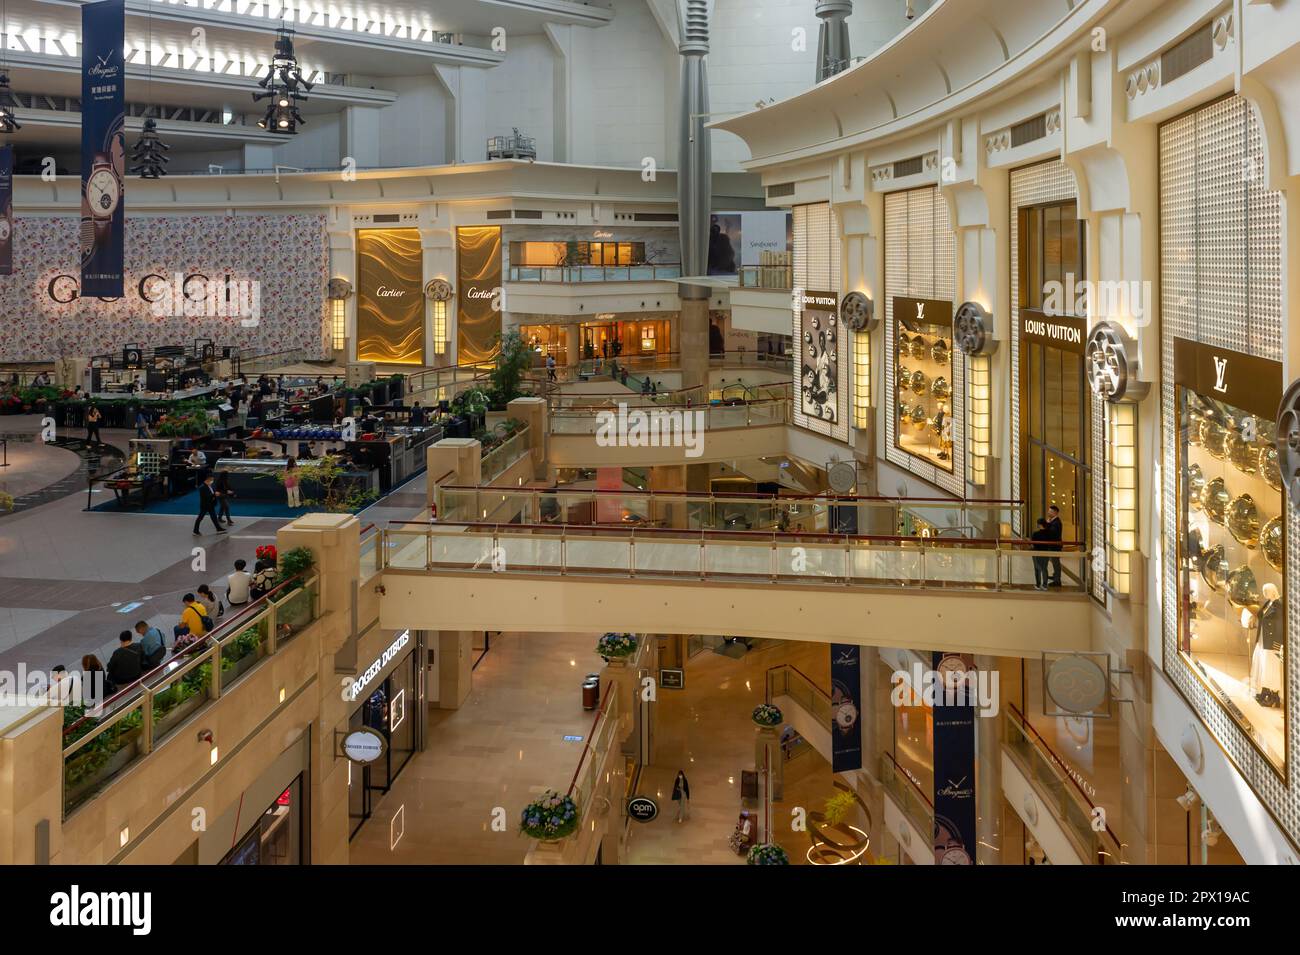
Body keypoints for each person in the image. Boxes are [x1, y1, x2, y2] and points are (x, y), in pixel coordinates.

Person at [1030, 518, 1052, 591]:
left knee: (1037, 569)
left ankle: (1038, 584)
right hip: (1046, 552)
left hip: (1036, 552)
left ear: (1039, 524)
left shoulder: (1035, 534)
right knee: (1044, 568)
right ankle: (1045, 585)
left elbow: (1032, 545)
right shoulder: (1049, 533)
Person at [1044, 504, 1064, 587]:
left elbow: (1052, 533)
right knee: (1054, 562)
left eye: (1050, 511)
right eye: (1049, 511)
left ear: (1055, 512)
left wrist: (1047, 524)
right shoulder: (1053, 521)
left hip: (1055, 546)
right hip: (1053, 546)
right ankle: (1055, 576)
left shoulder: (1056, 523)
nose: (1049, 513)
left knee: (1056, 562)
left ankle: (1057, 580)